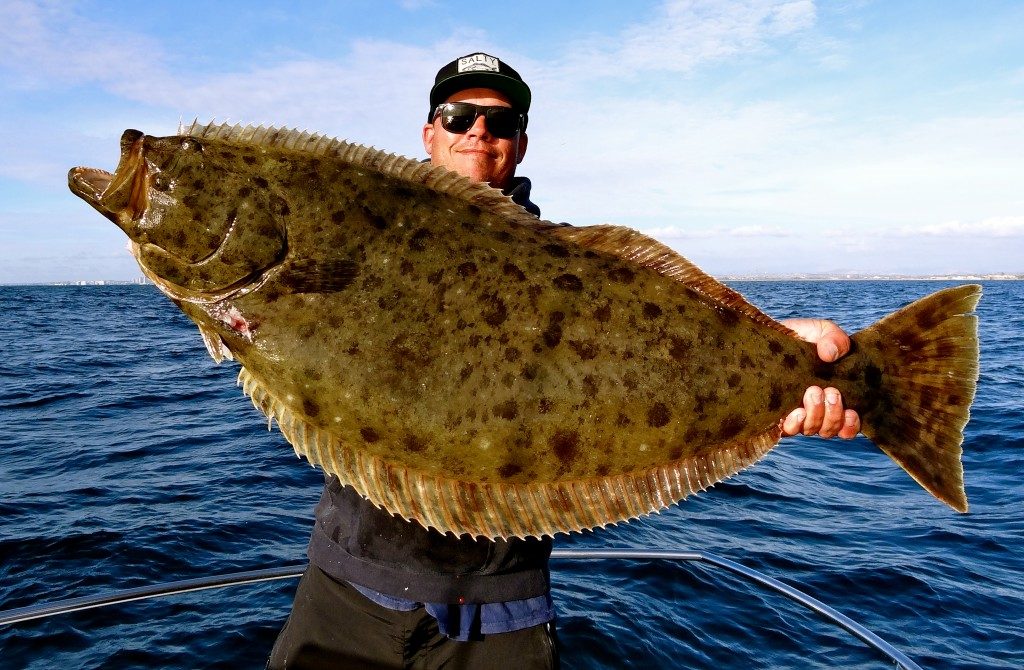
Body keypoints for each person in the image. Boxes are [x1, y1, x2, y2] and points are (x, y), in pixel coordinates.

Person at [267, 52, 860, 670]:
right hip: (345, 591)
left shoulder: (575, 268)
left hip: (502, 610)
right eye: (459, 116)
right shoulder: (360, 237)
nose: (478, 132)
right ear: (429, 133)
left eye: (500, 122)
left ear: (520, 144)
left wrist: (784, 355)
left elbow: (665, 338)